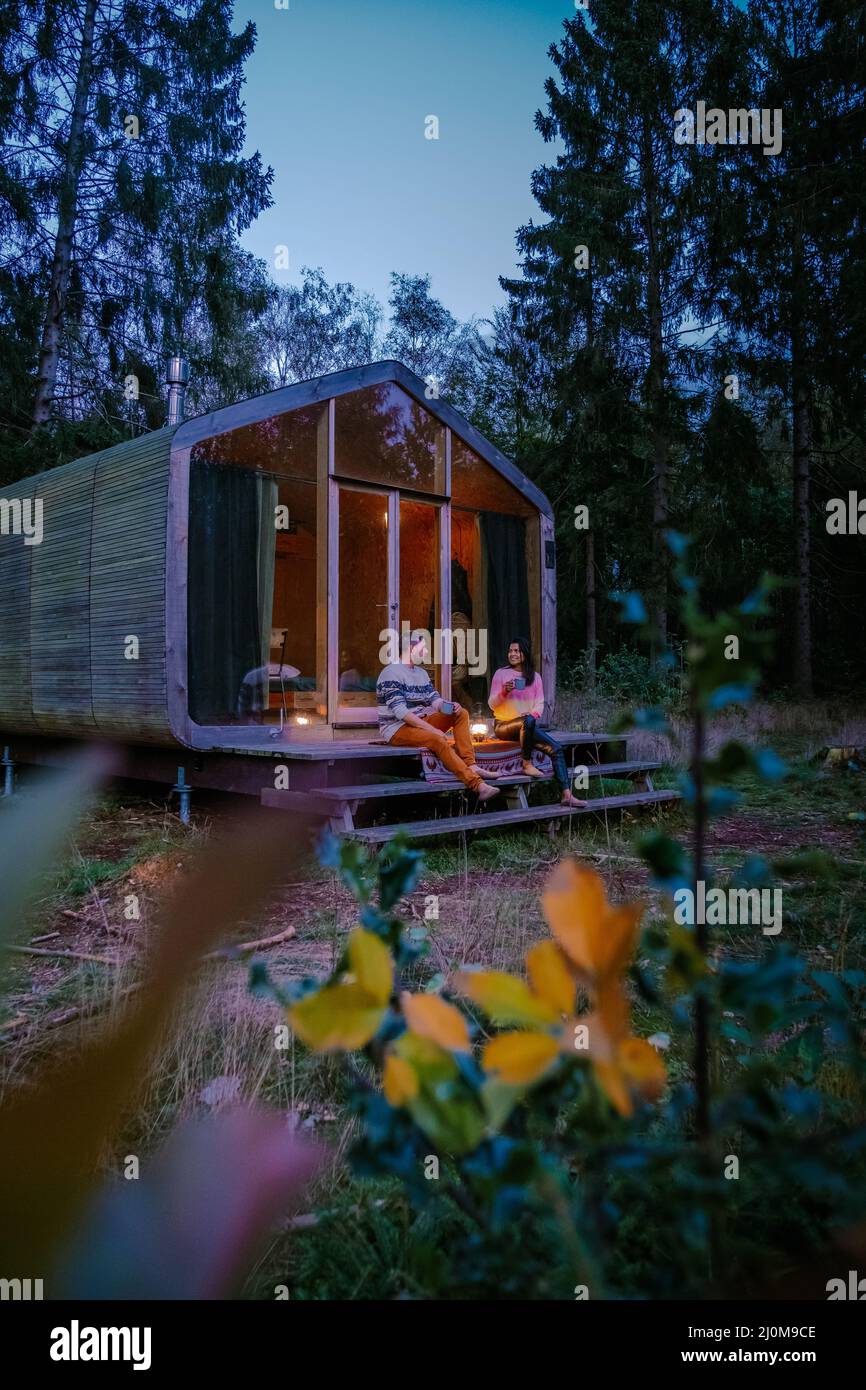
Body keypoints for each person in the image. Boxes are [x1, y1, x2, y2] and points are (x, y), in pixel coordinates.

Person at [377, 630, 500, 801]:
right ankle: (477, 785)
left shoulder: (421, 673)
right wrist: (432, 730)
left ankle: (471, 765)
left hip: (419, 722)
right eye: (423, 648)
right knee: (436, 740)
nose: (426, 652)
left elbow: (434, 700)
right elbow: (401, 713)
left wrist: (450, 706)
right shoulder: (391, 673)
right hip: (396, 729)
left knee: (461, 713)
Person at [488, 637, 585, 808]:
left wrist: (531, 714)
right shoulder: (501, 674)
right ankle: (526, 763)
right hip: (504, 725)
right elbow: (491, 704)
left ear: (524, 654)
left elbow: (540, 704)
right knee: (528, 722)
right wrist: (505, 691)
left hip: (527, 725)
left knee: (556, 748)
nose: (512, 654)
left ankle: (567, 795)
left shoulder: (535, 678)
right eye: (510, 651)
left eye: (516, 651)